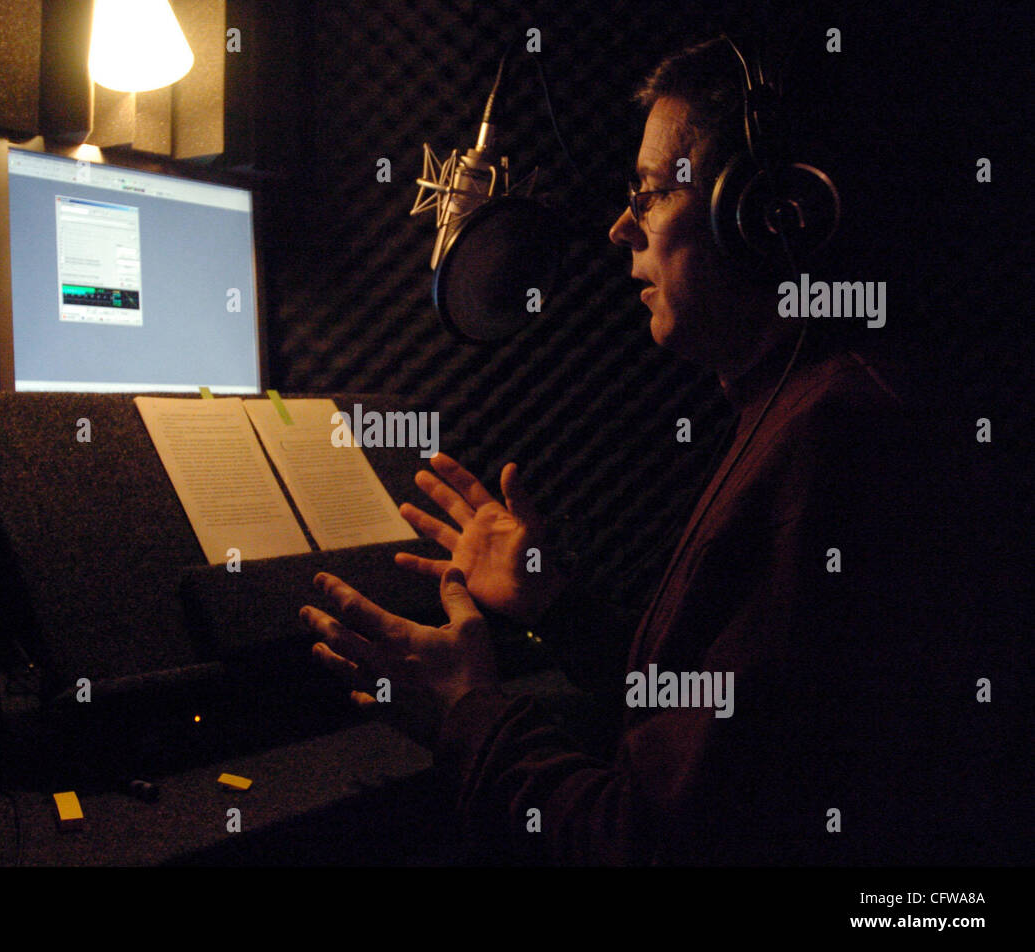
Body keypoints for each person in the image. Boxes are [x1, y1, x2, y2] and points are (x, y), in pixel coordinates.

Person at [299, 37, 1024, 865]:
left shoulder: (843, 439)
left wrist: (467, 713)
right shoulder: (797, 404)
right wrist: (557, 607)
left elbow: (655, 844)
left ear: (759, 213)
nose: (618, 230)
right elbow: (731, 732)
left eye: (646, 194)